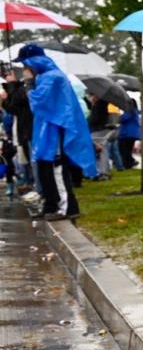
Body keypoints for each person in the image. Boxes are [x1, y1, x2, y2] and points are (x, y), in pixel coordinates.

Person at [15, 43, 96, 219]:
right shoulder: (49, 76)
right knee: (46, 168)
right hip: (48, 132)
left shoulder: (51, 77)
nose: (24, 69)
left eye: (25, 65)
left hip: (54, 132)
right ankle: (52, 205)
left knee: (55, 169)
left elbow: (38, 102)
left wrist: (29, 84)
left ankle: (65, 208)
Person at [117, 100, 141, 169]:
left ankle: (129, 162)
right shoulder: (135, 111)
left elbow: (122, 119)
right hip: (132, 134)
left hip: (127, 134)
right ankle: (129, 163)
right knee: (128, 149)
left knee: (123, 149)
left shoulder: (129, 111)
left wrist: (119, 114)